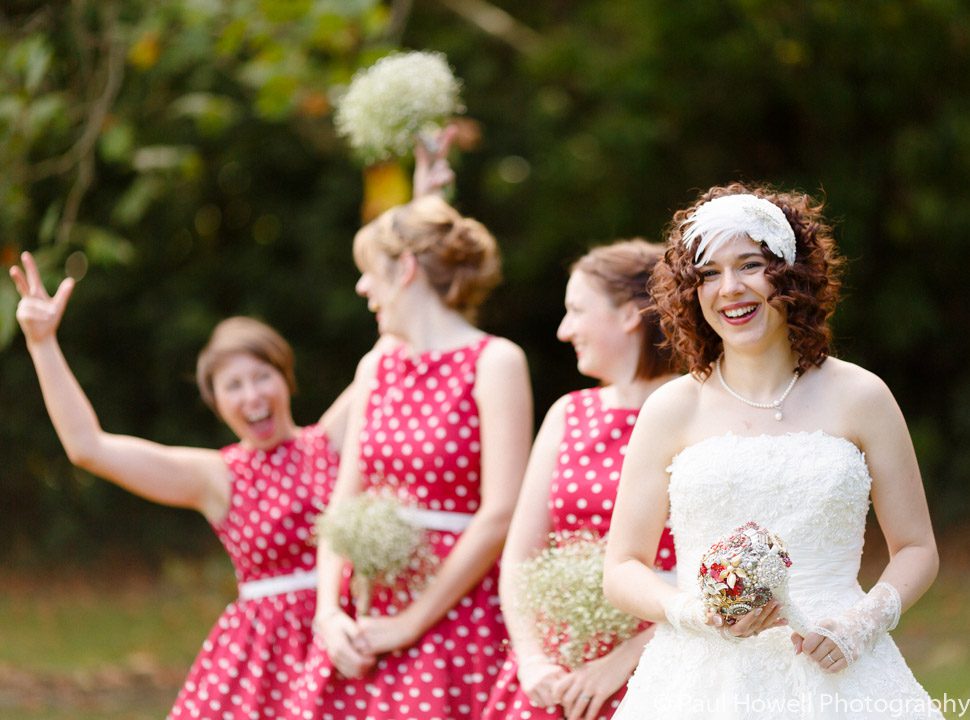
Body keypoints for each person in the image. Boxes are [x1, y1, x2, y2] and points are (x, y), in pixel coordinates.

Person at [603, 183, 942, 718]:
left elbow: (917, 548)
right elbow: (622, 565)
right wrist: (692, 612)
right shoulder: (672, 409)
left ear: (791, 274)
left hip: (840, 668)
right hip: (701, 680)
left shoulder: (862, 396)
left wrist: (861, 623)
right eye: (709, 273)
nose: (729, 289)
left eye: (750, 265)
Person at [11, 252, 346, 720]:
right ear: (216, 401)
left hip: (351, 636)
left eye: (262, 376)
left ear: (286, 378)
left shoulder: (334, 440)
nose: (252, 396)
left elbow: (396, 348)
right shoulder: (216, 476)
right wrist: (42, 344)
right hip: (265, 665)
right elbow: (88, 446)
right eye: (233, 385)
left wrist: (421, 217)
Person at [288, 194, 533, 720]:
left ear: (404, 269)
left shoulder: (496, 361)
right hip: (365, 609)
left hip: (457, 609)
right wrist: (328, 614)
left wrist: (413, 622)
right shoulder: (376, 365)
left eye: (368, 272)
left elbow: (501, 512)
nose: (362, 288)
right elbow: (342, 505)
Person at [482, 239, 679, 720]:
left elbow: (727, 579)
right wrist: (532, 660)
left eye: (576, 310)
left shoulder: (700, 413)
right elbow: (520, 559)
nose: (564, 329)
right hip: (559, 676)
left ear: (632, 314)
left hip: (670, 666)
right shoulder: (569, 414)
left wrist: (624, 662)